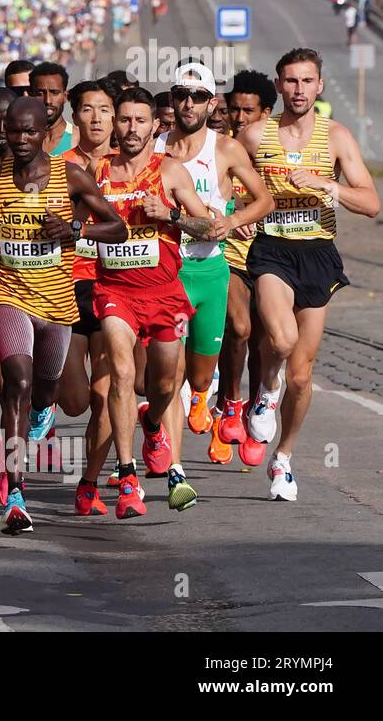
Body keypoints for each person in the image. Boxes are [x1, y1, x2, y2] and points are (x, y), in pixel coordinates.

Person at [0, 97, 125, 532]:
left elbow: (118, 227)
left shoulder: (70, 175)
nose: (20, 139)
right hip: (7, 294)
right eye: (12, 131)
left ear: (45, 132)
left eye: (29, 132)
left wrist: (76, 230)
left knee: (45, 391)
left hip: (57, 302)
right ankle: (16, 491)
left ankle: (42, 411)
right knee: (16, 379)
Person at [237, 48, 379, 500]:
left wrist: (328, 185)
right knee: (279, 340)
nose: (298, 90)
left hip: (318, 254)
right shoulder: (255, 135)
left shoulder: (335, 137)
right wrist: (239, 210)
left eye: (307, 81)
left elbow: (372, 203)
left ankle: (283, 458)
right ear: (278, 86)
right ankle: (264, 389)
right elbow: (223, 185)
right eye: (290, 81)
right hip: (271, 252)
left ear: (319, 86)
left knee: (303, 376)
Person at [93, 86, 216, 519]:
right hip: (115, 294)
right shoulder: (97, 172)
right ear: (114, 124)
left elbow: (209, 227)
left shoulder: (172, 171)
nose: (130, 128)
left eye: (139, 120)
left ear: (154, 125)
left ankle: (152, 423)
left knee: (166, 383)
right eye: (123, 120)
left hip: (166, 295)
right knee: (122, 372)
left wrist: (173, 216)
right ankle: (128, 476)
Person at [156, 65, 273, 461]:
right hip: (165, 273)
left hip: (209, 270)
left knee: (200, 372)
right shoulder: (155, 148)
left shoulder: (225, 149)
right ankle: (166, 455)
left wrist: (232, 220)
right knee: (166, 373)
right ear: (171, 100)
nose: (188, 104)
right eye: (180, 95)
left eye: (198, 97)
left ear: (212, 103)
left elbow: (264, 200)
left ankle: (205, 395)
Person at [58, 78, 117, 514]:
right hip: (67, 285)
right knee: (75, 401)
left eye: (104, 110)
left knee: (109, 393)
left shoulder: (128, 168)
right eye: (87, 110)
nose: (95, 119)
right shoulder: (59, 166)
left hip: (115, 286)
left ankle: (90, 483)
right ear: (73, 116)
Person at [215, 70, 278, 467]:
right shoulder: (221, 150)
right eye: (234, 109)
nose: (239, 118)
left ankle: (257, 404)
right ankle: (231, 404)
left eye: (248, 111)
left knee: (263, 341)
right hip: (232, 257)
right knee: (238, 328)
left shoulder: (277, 151)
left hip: (273, 258)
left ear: (267, 113)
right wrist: (234, 211)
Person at [27, 61, 73, 155]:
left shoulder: (78, 139)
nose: (47, 100)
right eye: (40, 93)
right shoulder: (22, 141)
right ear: (30, 96)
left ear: (65, 96)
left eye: (54, 92)